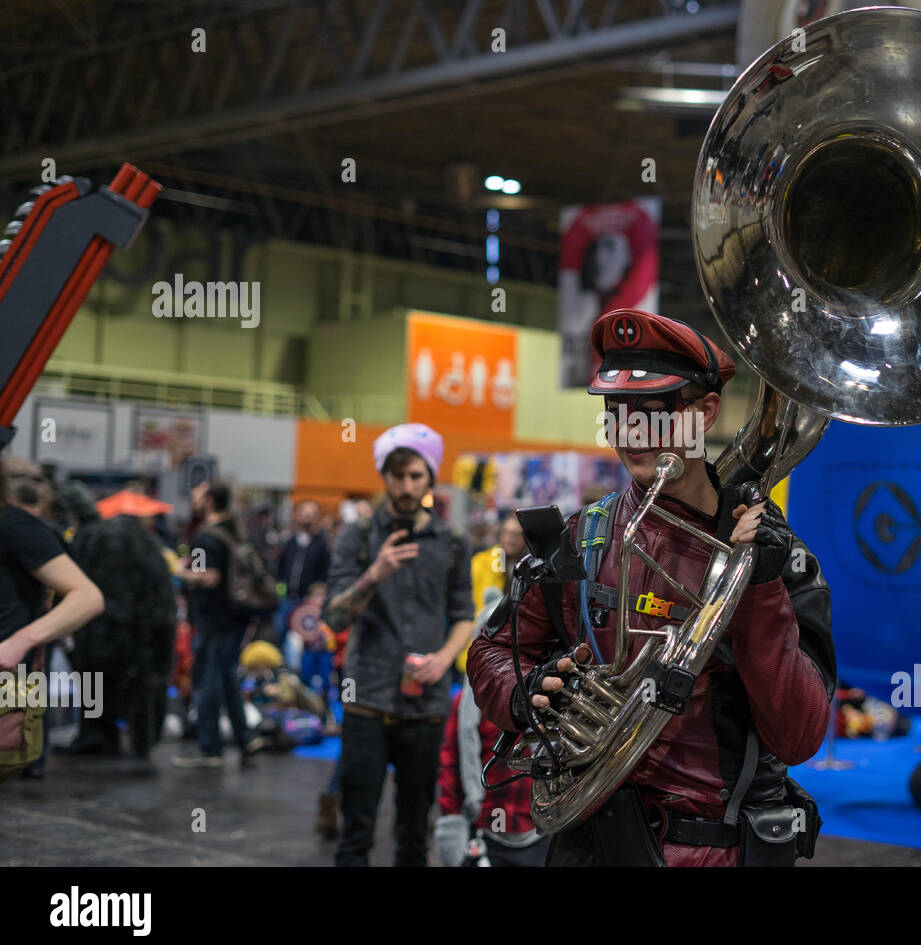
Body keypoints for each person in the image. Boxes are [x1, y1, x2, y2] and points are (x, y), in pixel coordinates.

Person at [468, 309, 835, 867]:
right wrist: (527, 692)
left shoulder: (780, 560)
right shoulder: (583, 535)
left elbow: (798, 735)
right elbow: (491, 650)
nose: (631, 432)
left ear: (705, 412)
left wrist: (758, 587)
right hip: (587, 844)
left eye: (654, 413)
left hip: (712, 851)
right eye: (617, 413)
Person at [323, 423, 475, 867]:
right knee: (356, 833)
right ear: (384, 477)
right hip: (366, 700)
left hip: (425, 705)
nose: (406, 486)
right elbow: (333, 616)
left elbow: (464, 614)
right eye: (398, 476)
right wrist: (375, 573)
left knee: (413, 835)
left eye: (416, 476)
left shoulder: (452, 542)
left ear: (429, 478)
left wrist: (445, 659)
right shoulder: (358, 537)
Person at [0, 457, 105, 781]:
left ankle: (37, 763)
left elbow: (88, 596)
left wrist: (22, 640)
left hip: (11, 678)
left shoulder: (16, 526)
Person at [62, 507, 176, 764]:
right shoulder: (148, 544)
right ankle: (143, 738)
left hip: (96, 623)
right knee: (141, 684)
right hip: (138, 628)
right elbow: (162, 597)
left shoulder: (90, 537)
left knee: (92, 679)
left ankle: (96, 735)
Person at [172, 483, 261, 768]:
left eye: (197, 497)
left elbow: (208, 576)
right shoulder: (234, 530)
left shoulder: (206, 537)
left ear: (209, 501)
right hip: (236, 616)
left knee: (208, 681)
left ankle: (210, 748)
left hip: (214, 620)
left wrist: (181, 570)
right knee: (227, 677)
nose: (193, 501)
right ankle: (245, 737)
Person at [436, 680, 550, 867]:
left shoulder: (551, 693)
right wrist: (452, 817)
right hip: (485, 828)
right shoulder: (468, 701)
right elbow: (452, 764)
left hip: (539, 830)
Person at [462, 514, 525, 673]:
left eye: (517, 535)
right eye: (507, 533)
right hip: (481, 635)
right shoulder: (486, 561)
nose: (511, 539)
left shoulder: (528, 564)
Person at [277, 500, 330, 643]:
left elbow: (324, 573)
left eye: (311, 513)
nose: (307, 516)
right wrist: (280, 590)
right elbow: (280, 569)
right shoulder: (289, 542)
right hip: (286, 598)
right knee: (281, 633)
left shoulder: (322, 545)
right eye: (304, 512)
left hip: (308, 602)